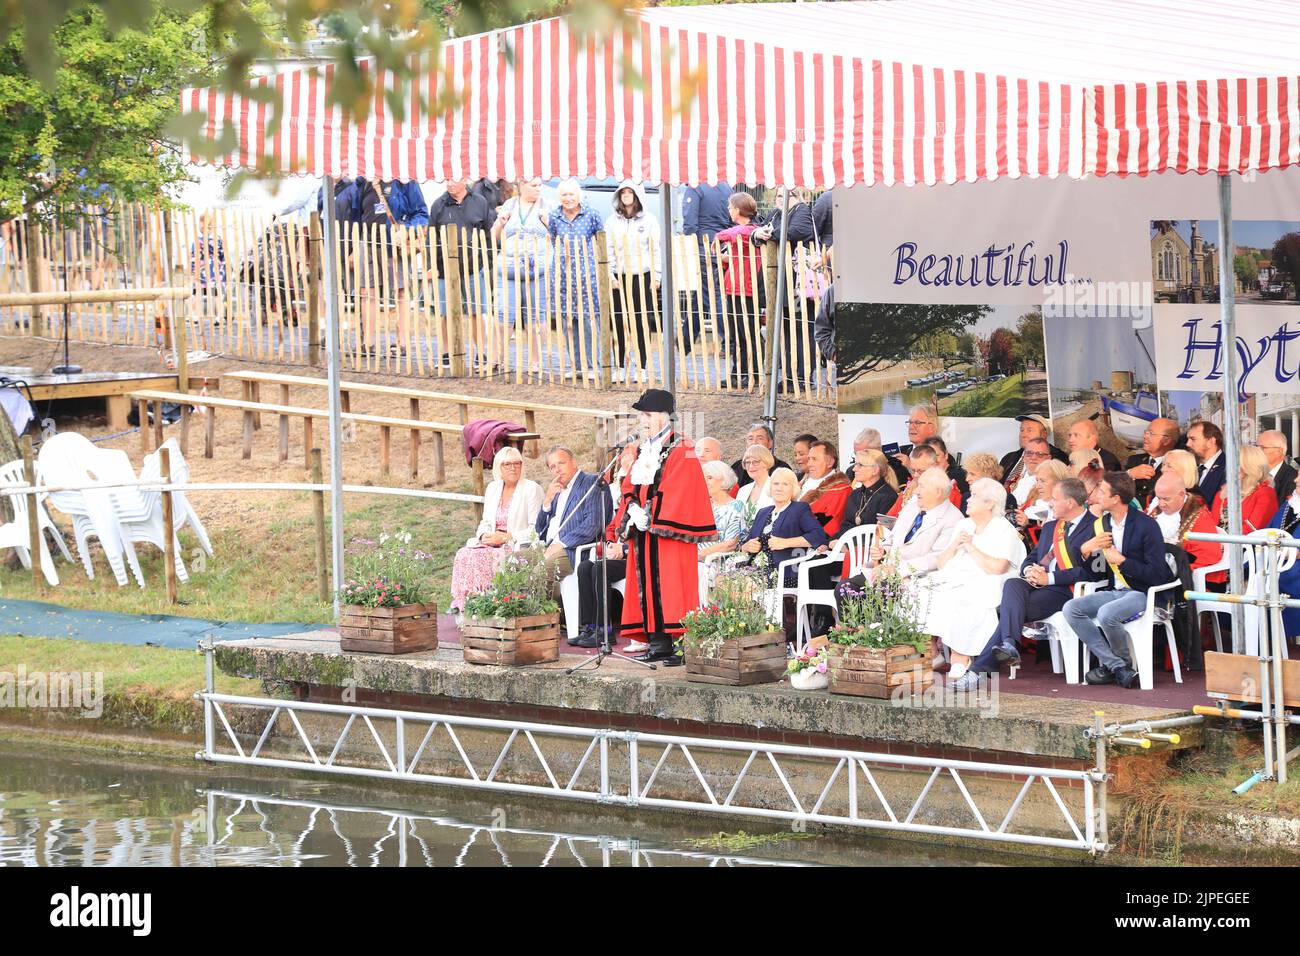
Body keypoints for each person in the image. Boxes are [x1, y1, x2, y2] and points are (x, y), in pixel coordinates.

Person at [613, 389, 718, 665]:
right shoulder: (641, 448)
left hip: (669, 534)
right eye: (641, 416)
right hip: (644, 531)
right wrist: (633, 508)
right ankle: (659, 643)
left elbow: (680, 489)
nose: (642, 421)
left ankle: (681, 646)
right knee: (647, 587)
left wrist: (651, 514)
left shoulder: (683, 448)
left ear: (662, 417)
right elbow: (630, 484)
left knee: (674, 588)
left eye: (647, 415)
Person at [964, 478, 1097, 682]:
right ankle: (1007, 645)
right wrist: (1029, 570)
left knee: (1011, 609)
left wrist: (1049, 578)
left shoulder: (1094, 527)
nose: (1050, 503)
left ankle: (982, 667)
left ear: (1070, 502)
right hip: (1037, 584)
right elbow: (1032, 557)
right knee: (1012, 584)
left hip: (1067, 590)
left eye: (1054, 499)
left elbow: (1089, 573)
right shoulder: (1053, 526)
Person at [1065, 471, 1174, 688]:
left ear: (1116, 499)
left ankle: (1121, 664)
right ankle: (1117, 666)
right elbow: (1096, 572)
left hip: (1143, 592)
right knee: (1071, 609)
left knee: (1107, 614)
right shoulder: (1102, 524)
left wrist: (1123, 561)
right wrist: (1085, 552)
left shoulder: (1146, 525)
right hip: (1115, 590)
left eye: (1102, 491)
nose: (1096, 495)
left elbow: (1157, 574)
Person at [922, 478, 1027, 682]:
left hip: (991, 578)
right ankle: (932, 653)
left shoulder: (1003, 528)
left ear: (989, 503)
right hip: (956, 574)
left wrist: (971, 547)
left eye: (975, 495)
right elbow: (942, 563)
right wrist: (955, 546)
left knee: (963, 594)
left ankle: (961, 656)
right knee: (921, 587)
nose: (968, 499)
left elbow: (998, 567)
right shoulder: (964, 524)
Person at [449, 447, 544, 614]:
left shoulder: (531, 488)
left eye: (517, 463)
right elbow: (485, 521)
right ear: (498, 468)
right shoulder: (493, 488)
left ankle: (488, 602)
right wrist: (484, 535)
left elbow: (536, 529)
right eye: (507, 464)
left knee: (481, 557)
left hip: (515, 544)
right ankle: (464, 601)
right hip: (492, 541)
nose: (513, 468)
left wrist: (506, 537)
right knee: (464, 553)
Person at [751, 187, 823, 392]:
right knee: (787, 331)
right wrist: (759, 233)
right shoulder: (777, 213)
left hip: (800, 284)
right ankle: (790, 376)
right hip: (783, 282)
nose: (778, 199)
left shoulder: (801, 211)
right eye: (777, 196)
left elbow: (797, 231)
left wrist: (769, 233)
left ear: (795, 196)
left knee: (802, 330)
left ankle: (801, 377)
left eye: (783, 196)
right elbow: (757, 233)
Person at [350, 178, 428, 357]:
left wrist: (405, 229)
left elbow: (422, 214)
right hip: (368, 243)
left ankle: (402, 343)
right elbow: (355, 213)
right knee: (367, 292)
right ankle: (367, 343)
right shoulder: (364, 181)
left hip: (394, 245)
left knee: (401, 292)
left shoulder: (406, 180)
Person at [428, 179, 495, 368]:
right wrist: (431, 265)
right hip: (444, 270)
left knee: (476, 312)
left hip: (473, 267)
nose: (450, 184)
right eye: (447, 180)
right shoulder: (438, 205)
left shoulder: (480, 202)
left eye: (454, 180)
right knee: (445, 313)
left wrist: (488, 262)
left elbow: (488, 234)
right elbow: (430, 238)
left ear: (464, 179)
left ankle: (480, 353)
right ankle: (447, 353)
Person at [547, 179, 604, 377]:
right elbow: (554, 241)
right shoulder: (554, 216)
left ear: (578, 196)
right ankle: (577, 366)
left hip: (586, 275)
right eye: (564, 195)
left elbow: (600, 241)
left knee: (588, 320)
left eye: (571, 194)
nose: (568, 198)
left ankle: (592, 365)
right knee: (568, 321)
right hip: (563, 277)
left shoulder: (592, 214)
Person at [534, 446, 607, 601]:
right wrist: (547, 501)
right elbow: (539, 529)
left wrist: (561, 544)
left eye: (561, 463)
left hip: (573, 551)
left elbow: (593, 524)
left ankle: (544, 621)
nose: (557, 470)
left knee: (538, 572)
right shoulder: (557, 490)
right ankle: (523, 621)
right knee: (513, 565)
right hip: (548, 548)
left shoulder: (592, 482)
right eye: (552, 467)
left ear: (574, 462)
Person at [605, 181, 662, 376]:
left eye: (630, 192)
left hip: (642, 276)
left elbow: (656, 250)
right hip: (619, 277)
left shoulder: (650, 220)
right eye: (623, 192)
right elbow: (608, 250)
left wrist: (657, 276)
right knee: (619, 321)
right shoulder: (612, 221)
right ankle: (620, 366)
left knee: (641, 321)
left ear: (637, 195)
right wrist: (611, 276)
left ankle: (641, 366)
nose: (626, 195)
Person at [869, 467, 963, 579]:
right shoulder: (912, 507)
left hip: (913, 579)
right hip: (884, 572)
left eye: (921, 487)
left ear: (938, 492)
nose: (915, 491)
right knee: (845, 588)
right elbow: (892, 537)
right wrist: (883, 550)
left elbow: (936, 558)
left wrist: (897, 570)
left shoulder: (953, 519)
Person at [740, 467, 828, 581]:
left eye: (785, 484)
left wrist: (785, 543)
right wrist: (746, 546)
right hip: (755, 568)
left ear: (793, 489)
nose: (779, 488)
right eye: (776, 484)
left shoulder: (799, 509)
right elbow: (748, 541)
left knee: (742, 585)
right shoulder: (763, 512)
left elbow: (818, 536)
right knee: (722, 580)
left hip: (784, 571)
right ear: (770, 488)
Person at [492, 177, 551, 342]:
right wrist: (500, 223)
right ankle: (497, 361)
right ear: (522, 185)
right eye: (534, 185)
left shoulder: (546, 205)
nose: (538, 189)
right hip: (509, 267)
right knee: (504, 313)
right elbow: (494, 236)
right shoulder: (510, 204)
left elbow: (558, 237)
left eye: (540, 185)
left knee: (536, 315)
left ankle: (536, 363)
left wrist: (548, 222)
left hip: (536, 269)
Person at [715, 191, 763, 388]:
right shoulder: (740, 232)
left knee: (748, 333)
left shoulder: (752, 230)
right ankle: (739, 372)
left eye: (730, 207)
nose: (728, 210)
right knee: (736, 335)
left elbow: (729, 234)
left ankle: (755, 373)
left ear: (738, 209)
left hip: (747, 290)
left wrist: (718, 238)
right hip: (733, 288)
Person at [681, 181, 733, 354]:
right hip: (723, 245)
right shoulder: (727, 187)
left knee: (712, 294)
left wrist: (691, 244)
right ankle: (685, 339)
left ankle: (728, 339)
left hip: (704, 247)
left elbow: (689, 222)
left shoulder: (695, 187)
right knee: (705, 294)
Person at [1151, 471, 1222, 570]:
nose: (1161, 504)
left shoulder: (1200, 517)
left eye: (1166, 499)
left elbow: (1207, 557)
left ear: (1181, 495)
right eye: (1158, 498)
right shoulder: (1155, 510)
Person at [698, 459, 745, 600]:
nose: (705, 481)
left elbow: (730, 544)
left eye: (710, 477)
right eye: (703, 478)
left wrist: (700, 555)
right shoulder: (702, 506)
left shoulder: (736, 506)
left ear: (723, 479)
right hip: (697, 560)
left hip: (718, 562)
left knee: (695, 571)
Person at [1209, 444, 1279, 539]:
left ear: (1249, 467)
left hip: (1247, 548)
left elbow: (1253, 529)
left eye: (1236, 464)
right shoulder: (1222, 494)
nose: (1231, 468)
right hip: (1219, 546)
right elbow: (1212, 528)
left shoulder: (1265, 493)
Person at [838, 448, 899, 537]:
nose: (854, 469)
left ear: (875, 470)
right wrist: (829, 543)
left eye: (860, 465)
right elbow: (846, 526)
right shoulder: (855, 494)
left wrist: (847, 544)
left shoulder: (889, 497)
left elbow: (883, 533)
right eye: (855, 464)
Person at [798, 440, 852, 537]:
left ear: (830, 462)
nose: (809, 463)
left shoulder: (841, 489)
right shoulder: (806, 482)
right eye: (809, 459)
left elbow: (827, 527)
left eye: (814, 459)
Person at [1266, 488, 1300, 640]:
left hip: (1293, 565)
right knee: (1252, 574)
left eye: (1299, 476)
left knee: (1287, 576)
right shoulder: (1289, 505)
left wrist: (1291, 553)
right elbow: (1269, 531)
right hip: (1276, 559)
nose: (1295, 480)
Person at [1125, 416, 1181, 506]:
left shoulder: (1177, 466)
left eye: (1150, 433)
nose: (1144, 436)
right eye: (1145, 432)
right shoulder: (1134, 460)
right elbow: (1115, 487)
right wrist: (1130, 474)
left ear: (1166, 440)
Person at [1000, 415, 1068, 485]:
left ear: (1043, 434)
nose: (1023, 435)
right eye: (1022, 430)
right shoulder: (1009, 457)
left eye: (1029, 430)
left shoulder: (1057, 457)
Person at [921, 435, 970, 512]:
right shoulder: (924, 478)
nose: (934, 460)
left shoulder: (959, 476)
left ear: (946, 455)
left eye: (936, 455)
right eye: (929, 456)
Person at [735, 444, 775, 532]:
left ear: (766, 462)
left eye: (756, 462)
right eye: (747, 462)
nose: (751, 466)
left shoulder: (776, 487)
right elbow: (736, 520)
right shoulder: (743, 490)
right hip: (743, 541)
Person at [1186, 420, 1227, 505]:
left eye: (1193, 439)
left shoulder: (1227, 468)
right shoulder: (1191, 466)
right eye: (1188, 439)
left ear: (1211, 441)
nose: (1188, 444)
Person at [1005, 437, 1052, 508]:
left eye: (1040, 454)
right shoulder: (1017, 478)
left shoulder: (1051, 484)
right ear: (1023, 457)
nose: (1033, 457)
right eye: (1029, 453)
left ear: (1048, 458)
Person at [1259, 430, 1297, 503]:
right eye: (1257, 447)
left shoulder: (1293, 479)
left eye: (1262, 448)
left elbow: (1285, 512)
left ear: (1279, 451)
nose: (1257, 451)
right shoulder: (1254, 473)